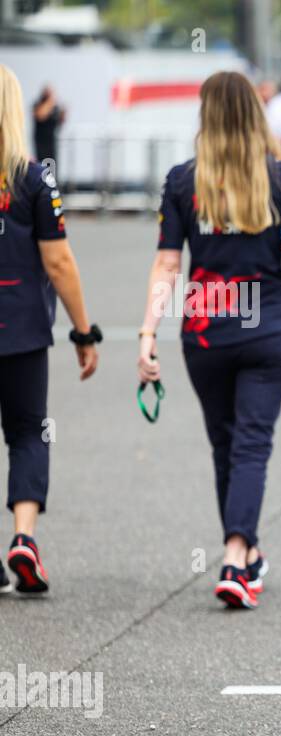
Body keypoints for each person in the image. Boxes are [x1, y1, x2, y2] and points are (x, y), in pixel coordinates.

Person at [138, 71, 281, 610]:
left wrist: (147, 332)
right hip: (267, 325)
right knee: (251, 444)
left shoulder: (181, 180)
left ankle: (244, 553)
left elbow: (167, 264)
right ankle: (238, 554)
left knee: (227, 443)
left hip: (205, 329)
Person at [0, 65, 98, 596]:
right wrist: (84, 332)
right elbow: (58, 262)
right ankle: (23, 539)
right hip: (20, 329)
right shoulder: (35, 179)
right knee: (27, 433)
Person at [31, 86, 65, 171]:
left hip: (51, 141)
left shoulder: (55, 108)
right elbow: (40, 115)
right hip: (41, 142)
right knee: (41, 165)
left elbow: (59, 122)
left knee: (53, 166)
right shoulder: (38, 104)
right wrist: (50, 102)